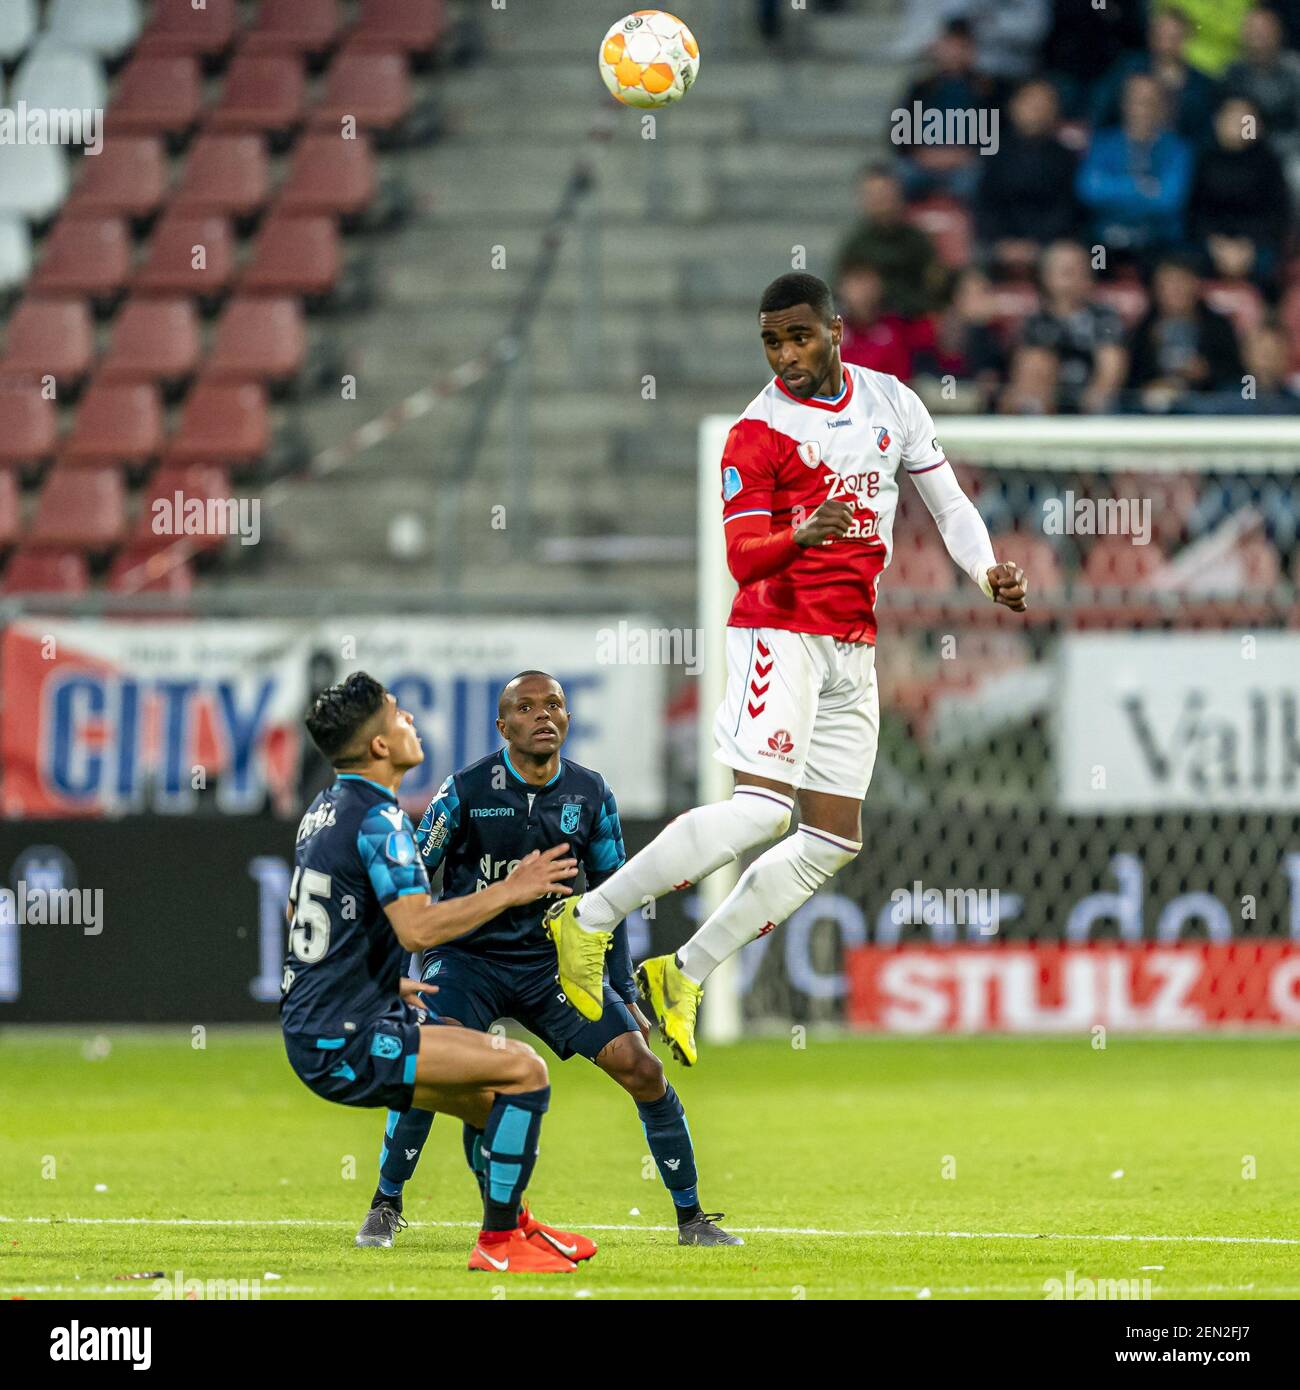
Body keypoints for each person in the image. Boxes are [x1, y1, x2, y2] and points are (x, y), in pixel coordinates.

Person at [544, 272, 1028, 1066]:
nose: (786, 355)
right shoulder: (755, 433)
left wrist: (987, 573)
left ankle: (683, 971)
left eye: (799, 336)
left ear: (836, 330)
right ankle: (589, 919)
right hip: (778, 628)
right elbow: (740, 558)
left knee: (832, 839)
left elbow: (948, 507)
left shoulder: (892, 403)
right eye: (772, 341)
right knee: (764, 811)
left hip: (852, 643)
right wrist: (802, 532)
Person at [356, 671, 741, 1249]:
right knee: (430, 1068)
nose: (543, 715)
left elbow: (617, 897)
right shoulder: (464, 790)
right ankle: (385, 1206)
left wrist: (625, 994)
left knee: (644, 1070)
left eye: (554, 705)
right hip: (466, 961)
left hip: (554, 966)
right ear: (503, 725)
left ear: (567, 718)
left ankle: (692, 1220)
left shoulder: (590, 794)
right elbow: (411, 874)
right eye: (527, 707)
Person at [280, 672, 589, 1273]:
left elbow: (298, 911)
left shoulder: (324, 809)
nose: (410, 723)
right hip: (348, 1038)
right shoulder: (379, 820)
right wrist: (511, 888)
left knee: (484, 1103)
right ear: (377, 746)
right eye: (398, 717)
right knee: (525, 1071)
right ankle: (498, 1245)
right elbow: (418, 929)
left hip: (321, 1025)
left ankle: (516, 1224)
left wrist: (368, 975)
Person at [1000, 241, 1128, 414]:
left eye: (1081, 270)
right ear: (1047, 276)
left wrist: (1094, 401)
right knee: (1035, 363)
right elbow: (1025, 373)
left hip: (1091, 403)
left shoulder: (1103, 315)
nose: (1075, 278)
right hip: (1048, 404)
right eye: (1067, 272)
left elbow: (1112, 365)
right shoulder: (1036, 320)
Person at [1076, 73, 1194, 261]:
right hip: (1104, 239)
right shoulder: (1102, 143)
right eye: (1135, 101)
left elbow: (1169, 201)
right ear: (1123, 104)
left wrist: (1114, 190)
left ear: (1163, 107)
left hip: (1157, 241)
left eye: (1150, 102)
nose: (1142, 109)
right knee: (1092, 264)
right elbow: (1089, 191)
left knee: (1174, 270)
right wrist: (1141, 187)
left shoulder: (1178, 150)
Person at [973, 77, 1080, 275]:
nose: (1037, 110)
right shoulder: (993, 153)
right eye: (1031, 102)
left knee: (1069, 255)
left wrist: (1037, 244)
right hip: (998, 244)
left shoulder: (1066, 158)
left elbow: (1065, 209)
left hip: (1047, 244)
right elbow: (985, 203)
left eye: (1044, 103)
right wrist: (1001, 243)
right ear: (1013, 106)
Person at [1188, 96, 1290, 290]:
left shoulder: (1268, 162)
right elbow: (1194, 210)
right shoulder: (1204, 159)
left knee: (1270, 265)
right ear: (1217, 122)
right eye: (1232, 117)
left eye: (1246, 119)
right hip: (1211, 242)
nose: (1239, 123)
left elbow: (1278, 214)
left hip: (1256, 244)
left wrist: (1247, 247)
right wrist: (1216, 243)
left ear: (1257, 126)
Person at [1126, 252, 1245, 409]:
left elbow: (1237, 371)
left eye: (1181, 282)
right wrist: (1152, 384)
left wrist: (1206, 371)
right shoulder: (1143, 327)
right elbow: (1130, 377)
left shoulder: (1218, 326)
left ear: (1195, 285)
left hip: (1207, 402)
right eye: (1168, 283)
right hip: (1154, 403)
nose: (1175, 290)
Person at [835, 165, 944, 320]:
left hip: (912, 320)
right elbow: (838, 288)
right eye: (872, 194)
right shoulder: (856, 244)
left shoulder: (916, 240)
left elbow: (935, 283)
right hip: (870, 324)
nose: (880, 200)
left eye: (884, 193)